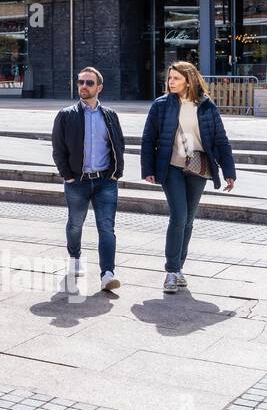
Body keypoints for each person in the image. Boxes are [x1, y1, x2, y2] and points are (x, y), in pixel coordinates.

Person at [142, 61, 237, 294]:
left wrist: (229, 172)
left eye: (176, 78)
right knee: (178, 216)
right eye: (170, 78)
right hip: (171, 166)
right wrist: (148, 169)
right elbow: (148, 138)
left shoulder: (206, 106)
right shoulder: (161, 105)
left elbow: (220, 140)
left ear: (189, 79)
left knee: (188, 220)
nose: (170, 82)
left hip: (198, 167)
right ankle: (171, 271)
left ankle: (179, 268)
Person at [51, 66, 125, 294]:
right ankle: (75, 257)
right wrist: (68, 176)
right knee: (75, 224)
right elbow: (58, 149)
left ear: (99, 88)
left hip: (105, 181)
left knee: (107, 228)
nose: (83, 86)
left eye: (89, 83)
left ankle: (107, 274)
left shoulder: (110, 115)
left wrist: (115, 174)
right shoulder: (66, 115)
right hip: (78, 181)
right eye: (81, 82)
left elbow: (119, 145)